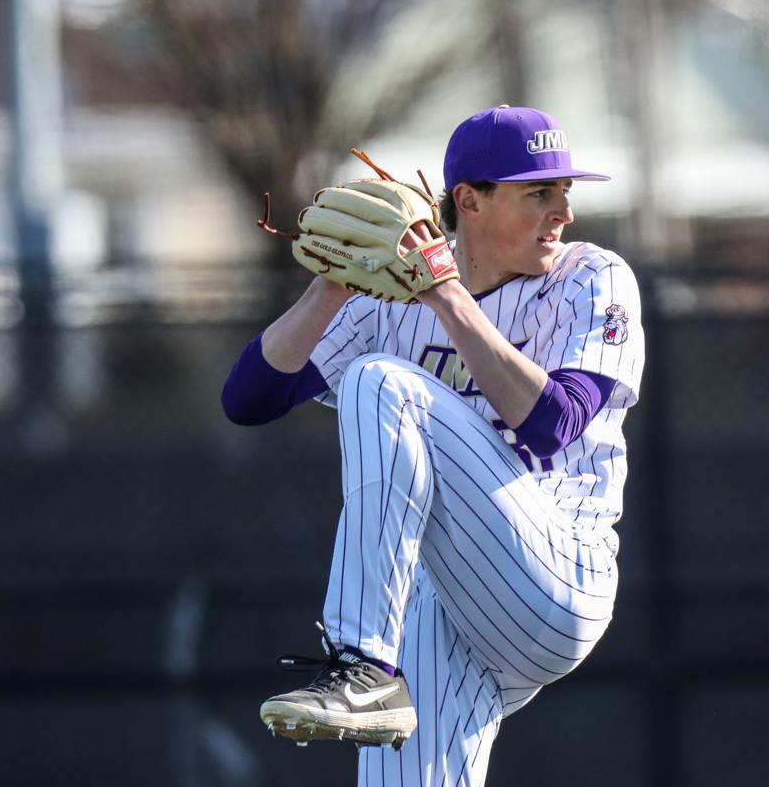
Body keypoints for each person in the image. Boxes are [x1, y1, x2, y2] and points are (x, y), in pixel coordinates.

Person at [221, 105, 644, 786]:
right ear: (469, 201)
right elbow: (248, 399)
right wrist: (331, 287)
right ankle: (372, 674)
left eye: (565, 191)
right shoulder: (390, 300)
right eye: (540, 192)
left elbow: (554, 422)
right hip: (451, 601)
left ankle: (361, 663)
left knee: (381, 383)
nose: (562, 211)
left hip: (558, 573)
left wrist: (447, 293)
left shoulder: (588, 278)